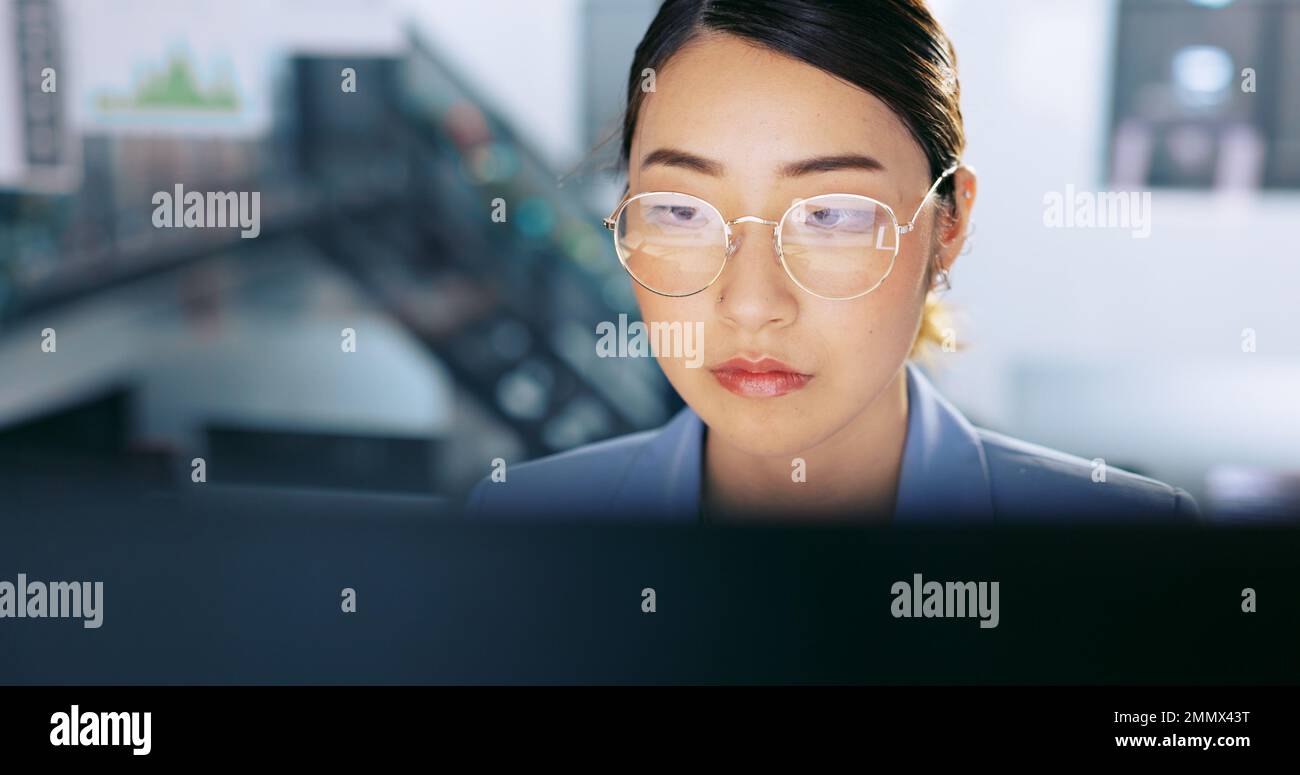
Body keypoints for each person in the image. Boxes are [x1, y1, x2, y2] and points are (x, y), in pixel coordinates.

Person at [465, 0, 1199, 523]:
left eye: (834, 214)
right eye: (682, 210)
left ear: (949, 224)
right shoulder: (516, 526)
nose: (750, 304)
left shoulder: (1126, 547)